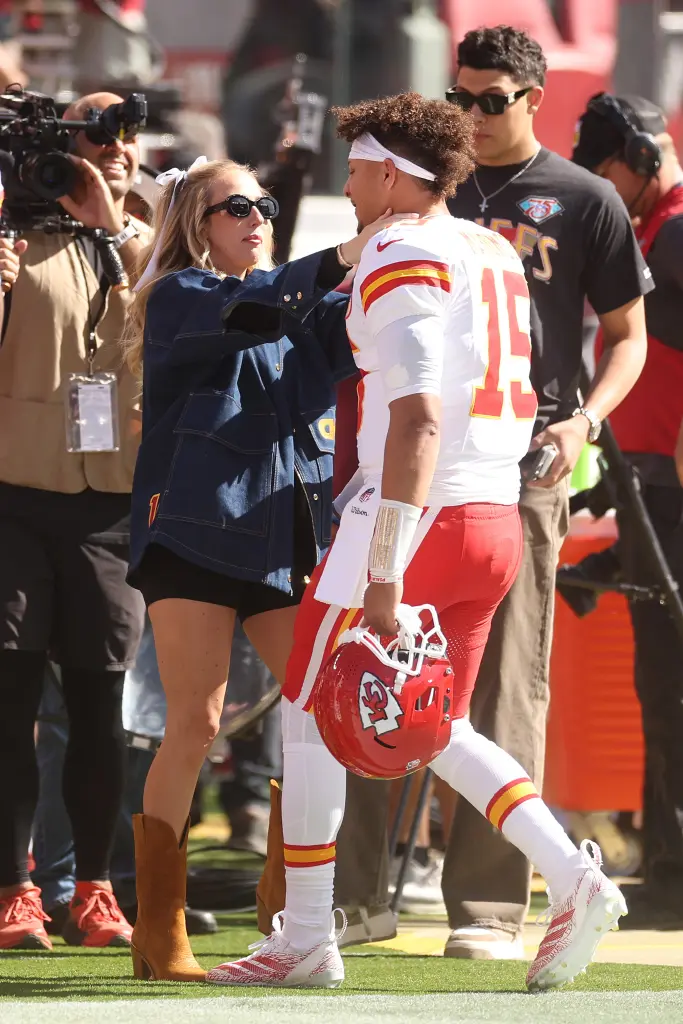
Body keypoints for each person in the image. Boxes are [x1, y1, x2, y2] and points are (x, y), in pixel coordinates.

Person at [205, 91, 628, 994]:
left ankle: (308, 932)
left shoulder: (406, 245)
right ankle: (571, 874)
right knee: (435, 727)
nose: (347, 183)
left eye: (357, 168)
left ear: (393, 173)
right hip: (491, 517)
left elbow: (419, 419)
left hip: (416, 516)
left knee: (311, 710)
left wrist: (386, 565)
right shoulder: (479, 241)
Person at [122, 155, 401, 982]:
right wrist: (352, 249)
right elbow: (262, 304)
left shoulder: (287, 304)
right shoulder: (177, 296)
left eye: (265, 205)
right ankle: (157, 929)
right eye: (235, 206)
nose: (255, 217)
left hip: (281, 539)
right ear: (196, 224)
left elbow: (344, 337)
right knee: (196, 722)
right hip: (195, 536)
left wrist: (407, 261)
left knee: (319, 712)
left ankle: (293, 920)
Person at [0, 92, 148, 952]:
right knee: (10, 701)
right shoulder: (16, 236)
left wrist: (117, 227)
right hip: (13, 496)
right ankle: (15, 890)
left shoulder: (157, 233)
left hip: (110, 508)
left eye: (127, 133)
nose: (115, 147)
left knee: (100, 709)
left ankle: (94, 887)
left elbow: (176, 322)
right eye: (96, 133)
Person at [573, 93, 683, 928]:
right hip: (645, 482)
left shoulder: (676, 227)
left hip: (671, 490)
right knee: (658, 680)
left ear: (641, 154)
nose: (600, 187)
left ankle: (675, 874)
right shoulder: (651, 227)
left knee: (671, 680)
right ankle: (664, 863)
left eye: (606, 168)